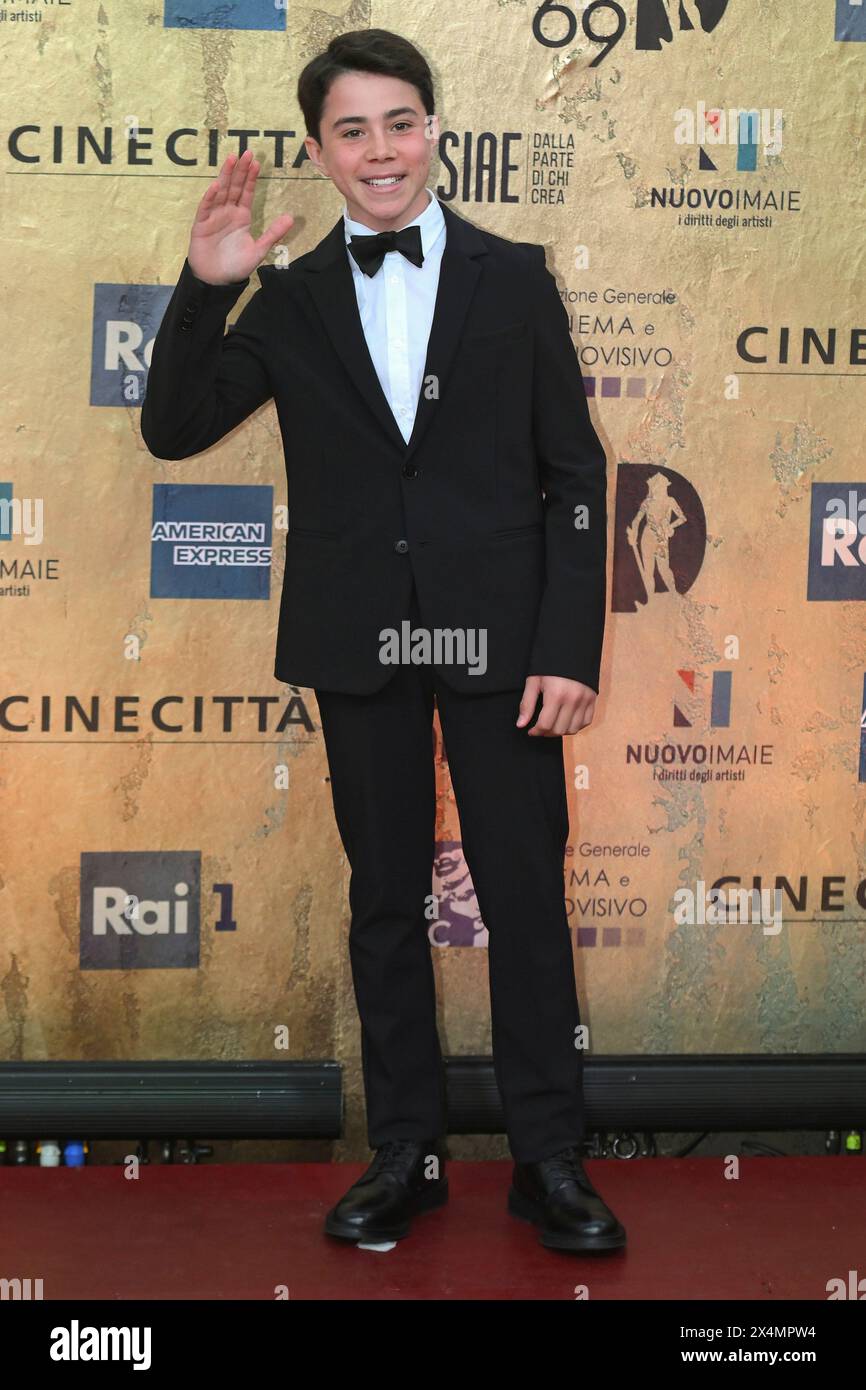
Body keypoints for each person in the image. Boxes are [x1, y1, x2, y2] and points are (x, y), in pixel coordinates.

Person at [140, 27, 625, 1255]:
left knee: (520, 898)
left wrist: (566, 646)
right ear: (319, 151)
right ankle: (405, 1154)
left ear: (433, 130)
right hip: (360, 640)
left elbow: (575, 472)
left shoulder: (514, 278)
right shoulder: (292, 297)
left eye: (398, 121)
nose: (379, 150)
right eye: (349, 130)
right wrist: (208, 288)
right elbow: (176, 428)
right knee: (384, 903)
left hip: (504, 645)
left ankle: (548, 1160)